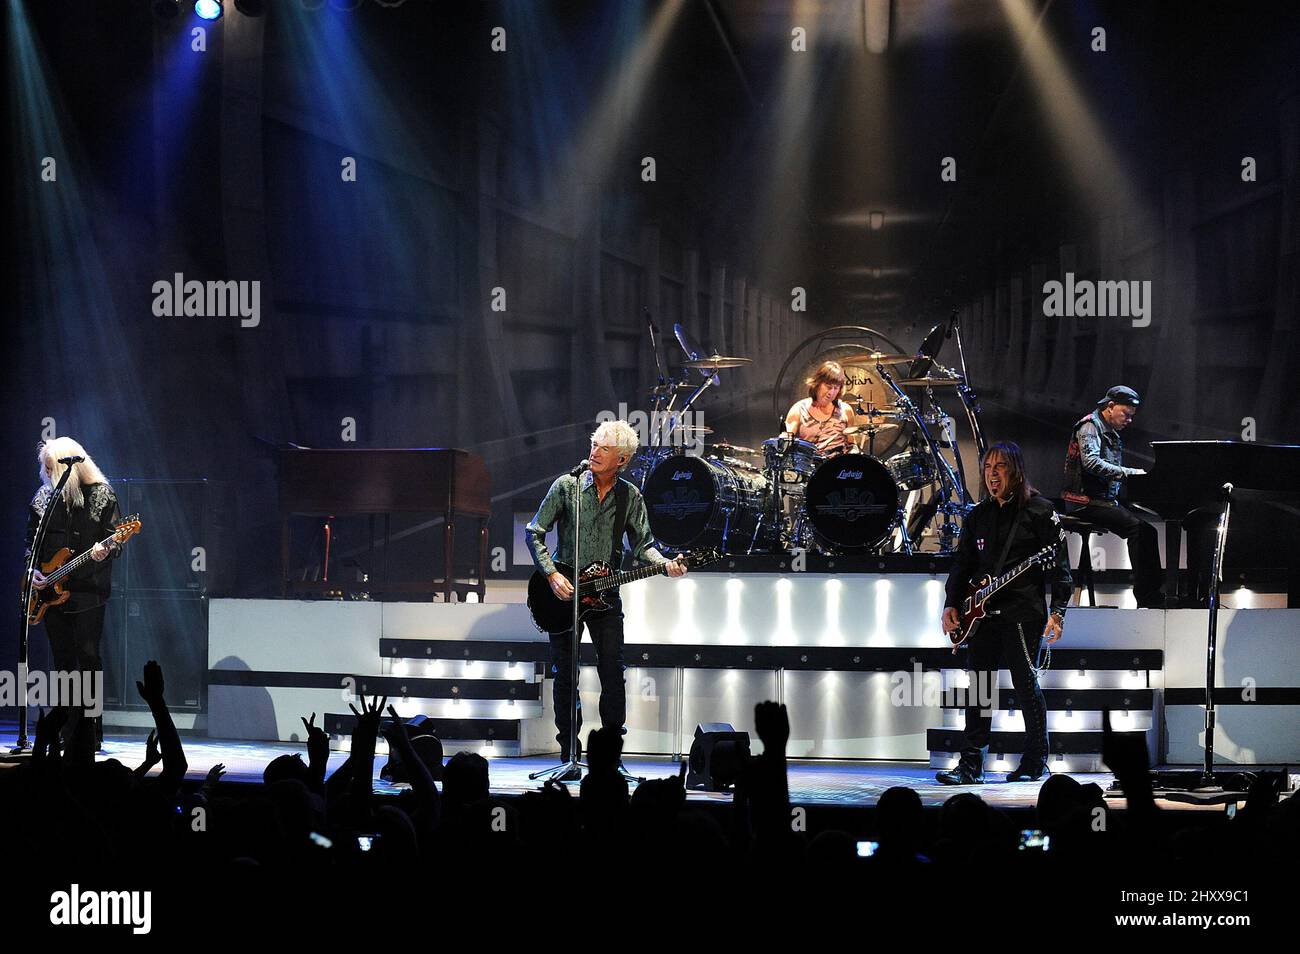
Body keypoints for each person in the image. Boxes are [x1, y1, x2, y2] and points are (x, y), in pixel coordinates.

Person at [525, 420, 687, 779]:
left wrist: (665, 565)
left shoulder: (630, 496)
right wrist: (551, 574)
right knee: (565, 674)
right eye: (594, 445)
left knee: (613, 673)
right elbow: (534, 531)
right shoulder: (567, 487)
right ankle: (569, 754)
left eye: (604, 448)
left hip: (606, 595)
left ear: (623, 459)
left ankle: (610, 755)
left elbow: (644, 546)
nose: (595, 452)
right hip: (563, 592)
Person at [938, 441, 1072, 785]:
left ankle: (1034, 760)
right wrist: (951, 604)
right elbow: (962, 564)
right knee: (979, 688)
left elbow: (1060, 567)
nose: (992, 474)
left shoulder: (1040, 511)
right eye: (987, 468)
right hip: (980, 616)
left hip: (1022, 612)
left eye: (1000, 467)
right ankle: (970, 765)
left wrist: (1057, 611)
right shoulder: (978, 515)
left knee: (1025, 684)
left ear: (1015, 471)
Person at [24, 437, 123, 750]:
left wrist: (104, 552)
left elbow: (116, 540)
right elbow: (30, 544)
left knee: (89, 658)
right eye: (46, 468)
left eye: (52, 467)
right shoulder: (43, 497)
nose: (47, 473)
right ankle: (67, 727)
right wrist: (33, 571)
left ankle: (91, 731)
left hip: (87, 592)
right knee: (63, 660)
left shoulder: (101, 495)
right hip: (50, 594)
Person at [1062, 385, 1164, 608]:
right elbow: (1091, 464)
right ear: (1110, 406)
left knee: (1148, 531)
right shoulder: (1090, 426)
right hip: (1084, 503)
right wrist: (1131, 473)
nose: (1129, 420)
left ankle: (1153, 594)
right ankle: (1148, 598)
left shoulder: (1108, 430)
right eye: (1126, 414)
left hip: (1102, 502)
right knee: (1139, 530)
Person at [782, 360, 858, 456]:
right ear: (817, 383)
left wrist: (855, 452)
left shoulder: (845, 410)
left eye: (836, 388)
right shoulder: (799, 409)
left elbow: (852, 442)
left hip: (840, 467)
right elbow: (786, 443)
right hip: (811, 467)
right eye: (828, 386)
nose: (831, 392)